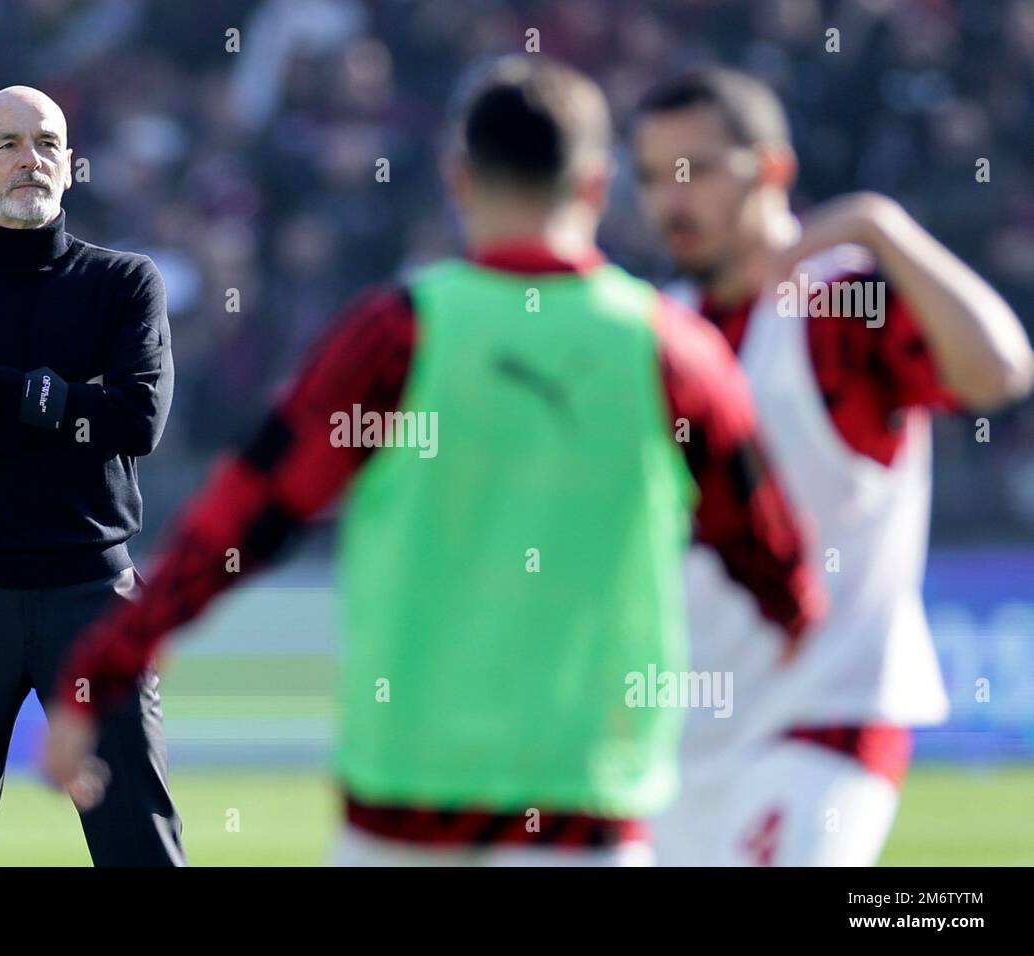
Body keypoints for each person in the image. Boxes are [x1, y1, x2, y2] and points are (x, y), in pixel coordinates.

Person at [44, 57, 824, 866]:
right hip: (588, 805)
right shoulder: (672, 351)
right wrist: (797, 623)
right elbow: (775, 560)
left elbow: (240, 519)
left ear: (460, 182)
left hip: (404, 807)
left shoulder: (396, 336)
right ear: (596, 186)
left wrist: (101, 674)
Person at [633, 68, 1034, 866]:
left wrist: (884, 229)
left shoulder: (835, 305)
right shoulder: (656, 327)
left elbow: (999, 369)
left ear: (773, 171)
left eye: (697, 171)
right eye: (650, 177)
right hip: (681, 737)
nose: (670, 200)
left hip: (826, 716)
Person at [0, 85, 183, 865]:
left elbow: (138, 424)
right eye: (9, 144)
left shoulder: (125, 282)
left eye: (46, 143)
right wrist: (70, 407)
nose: (29, 160)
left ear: (71, 164)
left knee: (139, 846)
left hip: (93, 597)